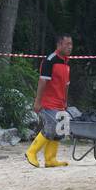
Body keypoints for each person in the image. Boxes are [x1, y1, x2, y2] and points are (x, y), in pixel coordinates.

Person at [25, 34, 73, 168]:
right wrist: (37, 101)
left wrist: (65, 101)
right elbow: (42, 81)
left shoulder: (66, 62)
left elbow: (66, 85)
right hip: (48, 103)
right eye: (67, 44)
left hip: (60, 104)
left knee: (60, 129)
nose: (70, 47)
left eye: (71, 44)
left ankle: (50, 159)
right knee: (51, 127)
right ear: (59, 45)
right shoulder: (50, 60)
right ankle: (31, 152)